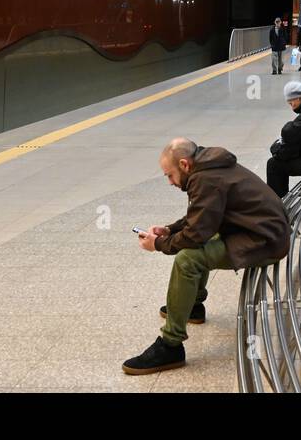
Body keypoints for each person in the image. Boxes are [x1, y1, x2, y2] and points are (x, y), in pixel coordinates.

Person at [123, 138, 290, 375]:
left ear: (184, 164)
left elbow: (195, 234)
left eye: (169, 175)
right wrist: (170, 230)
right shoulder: (208, 166)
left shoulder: (207, 179)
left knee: (188, 258)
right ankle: (192, 306)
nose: (170, 182)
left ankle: (170, 345)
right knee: (200, 244)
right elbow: (203, 216)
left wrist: (159, 244)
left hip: (264, 242)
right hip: (261, 232)